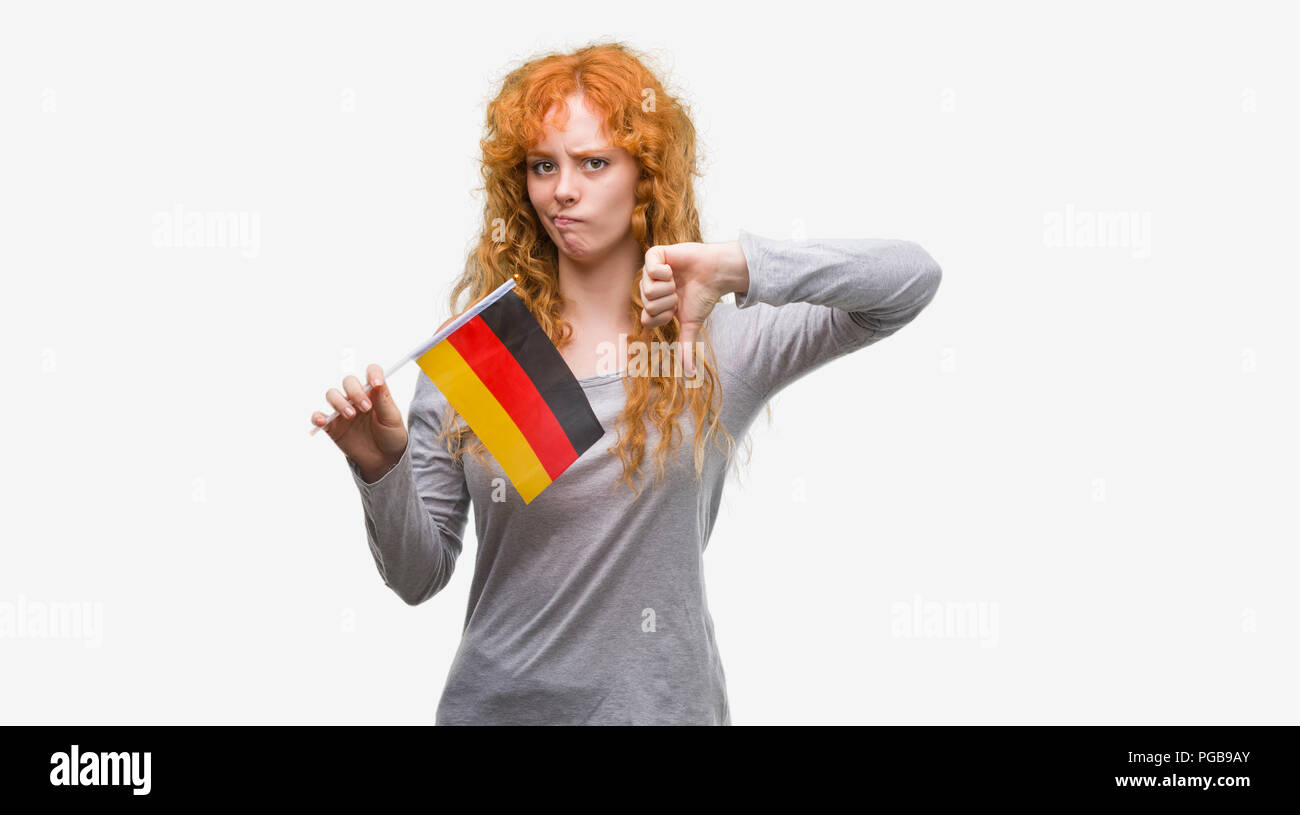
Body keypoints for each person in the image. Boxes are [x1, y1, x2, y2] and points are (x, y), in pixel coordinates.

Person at [310, 41, 943, 725]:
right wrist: (381, 467)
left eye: (594, 162)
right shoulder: (484, 355)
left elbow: (907, 280)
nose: (563, 190)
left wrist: (738, 266)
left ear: (646, 174)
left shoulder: (715, 344)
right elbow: (417, 575)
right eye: (543, 165)